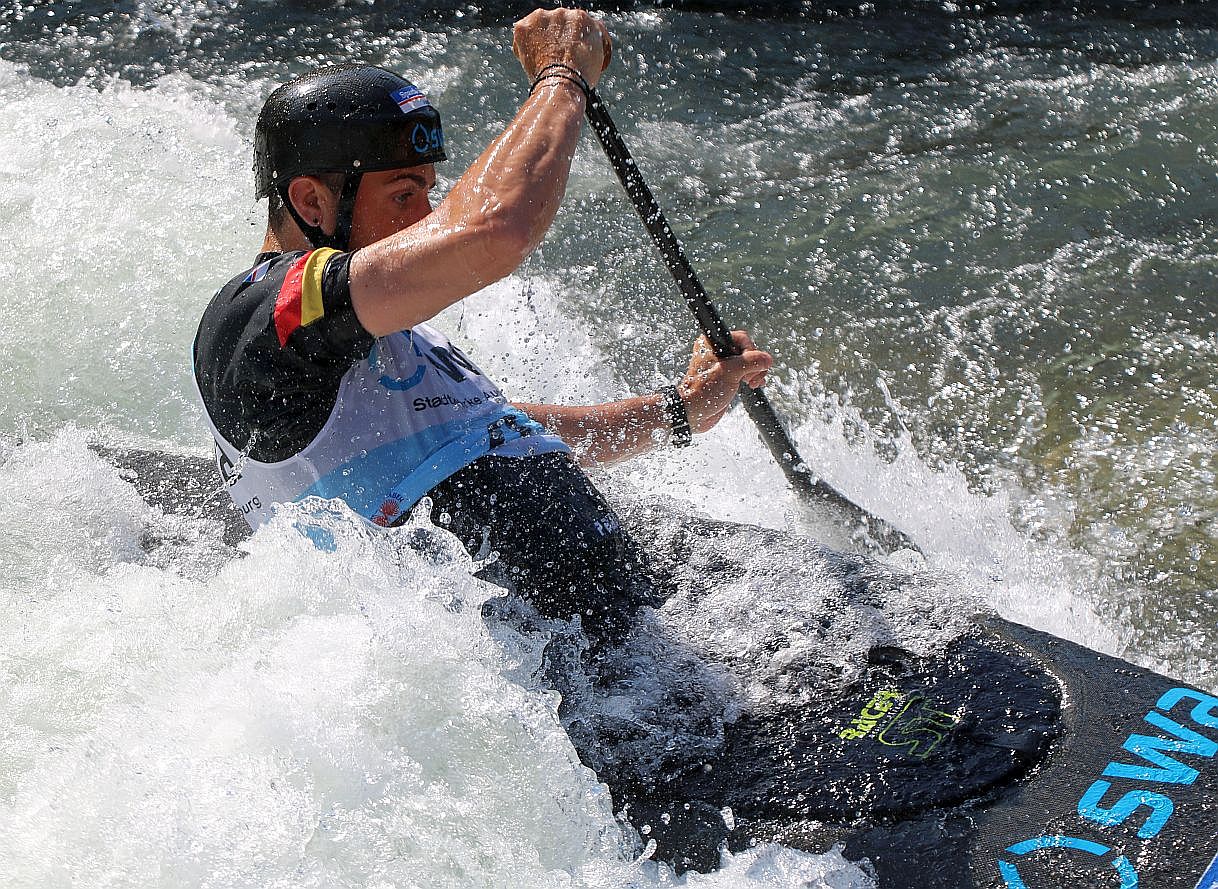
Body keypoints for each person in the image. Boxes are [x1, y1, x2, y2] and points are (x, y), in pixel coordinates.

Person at [192, 7, 772, 646]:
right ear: (312, 203)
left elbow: (503, 432)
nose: (429, 216)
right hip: (534, 698)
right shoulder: (264, 310)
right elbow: (493, 232)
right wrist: (562, 78)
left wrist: (681, 412)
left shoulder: (391, 337)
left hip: (626, 647)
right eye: (406, 193)